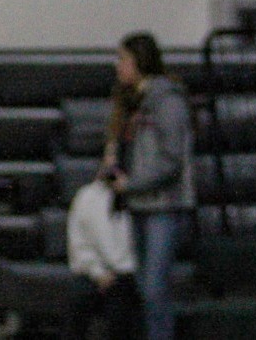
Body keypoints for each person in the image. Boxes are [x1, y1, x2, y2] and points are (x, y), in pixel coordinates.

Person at [103, 32, 193, 340]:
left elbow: (171, 160)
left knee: (155, 284)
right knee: (145, 284)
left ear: (139, 62)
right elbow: (130, 148)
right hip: (140, 203)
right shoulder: (131, 102)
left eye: (123, 59)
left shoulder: (167, 102)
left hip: (163, 204)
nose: (118, 66)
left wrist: (132, 182)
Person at [63, 174, 137, 339]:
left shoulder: (140, 199)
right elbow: (78, 242)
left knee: (121, 304)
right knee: (78, 298)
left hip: (126, 274)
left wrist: (119, 271)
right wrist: (98, 272)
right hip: (92, 272)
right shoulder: (86, 196)